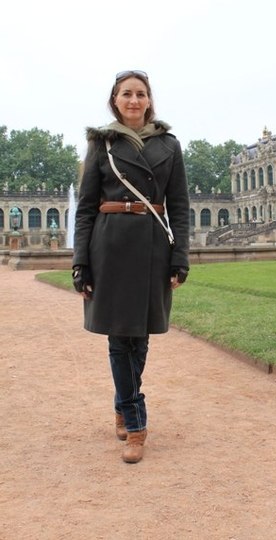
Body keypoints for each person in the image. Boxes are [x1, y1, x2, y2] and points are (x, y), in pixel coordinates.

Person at [72, 70, 190, 464]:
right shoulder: (101, 143)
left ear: (149, 100)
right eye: (127, 94)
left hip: (153, 246)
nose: (134, 100)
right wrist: (80, 261)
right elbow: (85, 208)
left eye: (140, 93)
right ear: (115, 100)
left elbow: (179, 207)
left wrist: (181, 256)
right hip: (109, 247)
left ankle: (122, 404)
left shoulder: (169, 145)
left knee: (139, 338)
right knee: (119, 337)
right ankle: (136, 424)